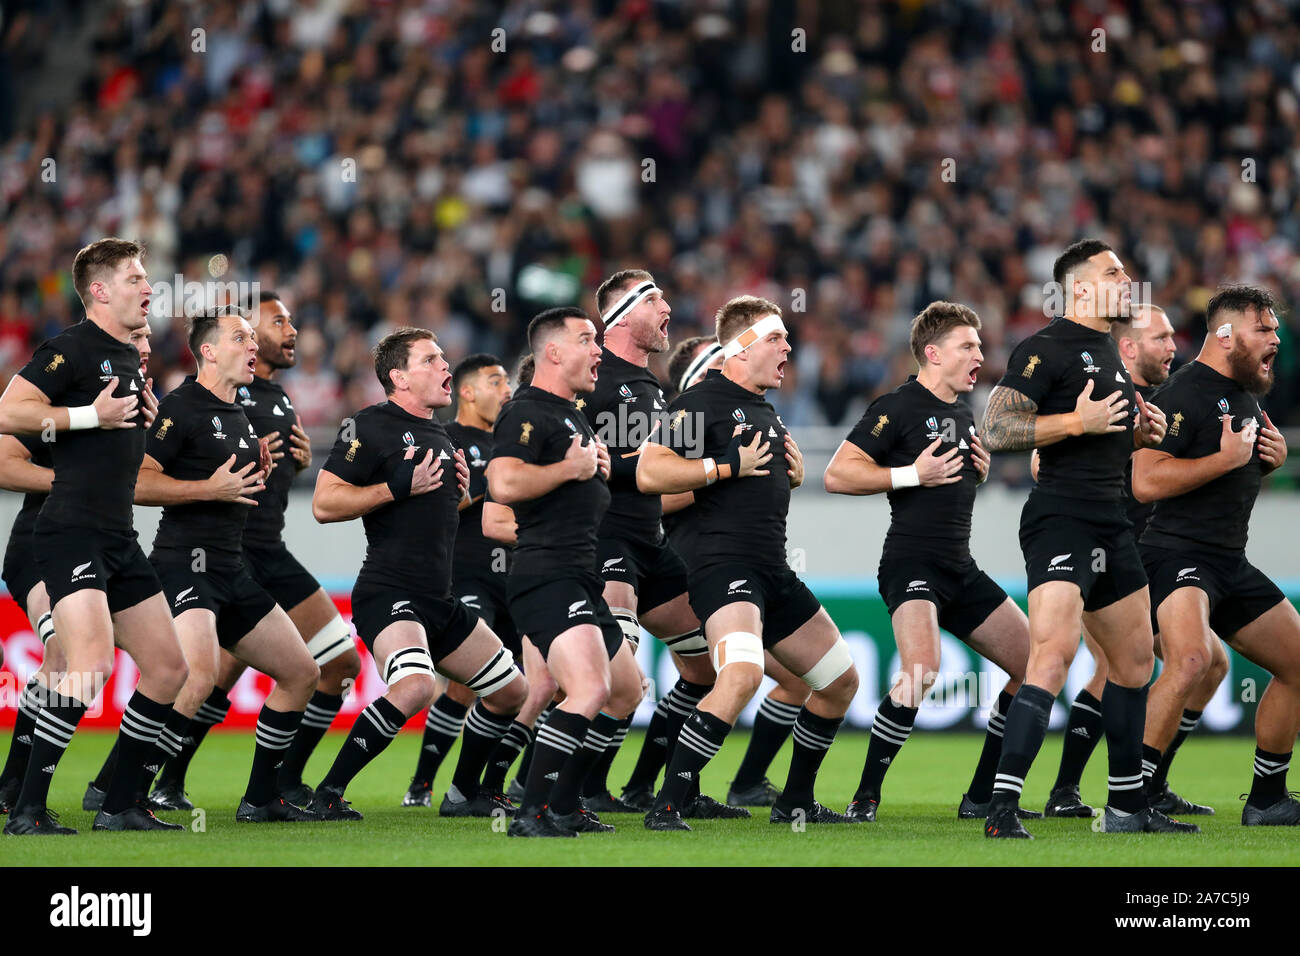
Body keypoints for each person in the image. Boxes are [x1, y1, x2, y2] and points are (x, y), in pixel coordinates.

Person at [979, 238, 1195, 837]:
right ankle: (1001, 810)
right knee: (1051, 656)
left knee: (1131, 665)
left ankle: (1126, 808)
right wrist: (1078, 421)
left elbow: (1103, 437)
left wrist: (1140, 430)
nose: (1127, 278)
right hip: (1062, 521)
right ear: (1079, 286)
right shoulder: (1044, 348)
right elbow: (996, 427)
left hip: (1112, 524)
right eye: (1113, 271)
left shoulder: (1107, 351)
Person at [637, 295, 859, 831]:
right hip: (723, 566)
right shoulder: (701, 402)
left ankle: (794, 802)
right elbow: (649, 473)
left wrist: (791, 475)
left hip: (773, 571)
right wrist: (724, 466)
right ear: (739, 348)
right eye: (776, 337)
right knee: (739, 677)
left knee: (840, 682)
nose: (789, 346)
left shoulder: (762, 405)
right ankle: (669, 802)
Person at [145, 292, 362, 812]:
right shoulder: (213, 397)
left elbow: (259, 476)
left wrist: (297, 463)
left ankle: (278, 784)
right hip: (226, 554)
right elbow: (158, 473)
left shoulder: (275, 396)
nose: (290, 330)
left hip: (269, 551)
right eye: (276, 321)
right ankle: (149, 781)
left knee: (337, 667)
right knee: (209, 677)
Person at [0, 237, 188, 835]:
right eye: (135, 278)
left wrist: (140, 423)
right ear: (100, 290)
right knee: (87, 667)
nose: (148, 287)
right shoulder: (71, 349)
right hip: (69, 530)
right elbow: (8, 411)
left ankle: (119, 803)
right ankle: (26, 809)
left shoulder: (130, 358)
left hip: (118, 536)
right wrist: (91, 417)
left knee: (167, 669)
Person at [824, 302, 1035, 822]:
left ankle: (982, 796)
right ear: (933, 354)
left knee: (1036, 666)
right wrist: (909, 474)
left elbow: (946, 483)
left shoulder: (965, 411)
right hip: (911, 563)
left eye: (979, 347)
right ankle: (864, 798)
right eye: (968, 347)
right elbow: (837, 474)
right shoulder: (896, 406)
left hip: (959, 568)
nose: (980, 356)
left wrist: (977, 475)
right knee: (921, 670)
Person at [308, 328, 527, 820]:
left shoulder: (441, 435)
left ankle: (465, 794)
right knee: (416, 686)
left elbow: (432, 510)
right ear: (399, 377)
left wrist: (464, 494)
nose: (445, 366)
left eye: (444, 357)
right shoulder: (367, 425)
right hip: (390, 594)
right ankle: (328, 793)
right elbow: (323, 504)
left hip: (439, 600)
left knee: (513, 690)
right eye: (431, 360)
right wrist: (394, 486)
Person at [1043, 305, 1222, 818]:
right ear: (1127, 348)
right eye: (1161, 337)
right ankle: (1070, 792)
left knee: (1209, 664)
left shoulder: (1165, 403)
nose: (1173, 346)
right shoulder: (1104, 398)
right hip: (1101, 551)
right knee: (1115, 667)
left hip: (1142, 557)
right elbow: (1042, 457)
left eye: (1174, 338)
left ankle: (1151, 783)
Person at [1132, 285, 1299, 826]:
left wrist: (1265, 462)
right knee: (1191, 661)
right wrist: (1229, 461)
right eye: (1265, 330)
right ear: (1226, 336)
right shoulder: (1183, 394)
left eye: (1275, 329)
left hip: (1228, 561)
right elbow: (1144, 479)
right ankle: (1130, 802)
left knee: (1297, 664)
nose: (1276, 339)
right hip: (1176, 555)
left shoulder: (1245, 394)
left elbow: (1228, 468)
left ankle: (1267, 799)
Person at [579, 271, 744, 819]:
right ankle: (576, 786)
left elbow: (662, 478)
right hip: (604, 542)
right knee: (612, 675)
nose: (667, 307)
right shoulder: (593, 377)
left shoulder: (651, 388)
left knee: (706, 667)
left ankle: (666, 785)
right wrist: (714, 469)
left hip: (650, 545)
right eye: (653, 299)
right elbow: (588, 465)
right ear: (621, 315)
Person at [624, 335, 812, 809]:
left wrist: (772, 472)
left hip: (730, 567)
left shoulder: (737, 416)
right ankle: (653, 789)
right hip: (697, 567)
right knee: (722, 677)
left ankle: (689, 786)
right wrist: (726, 474)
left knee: (740, 677)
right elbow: (655, 498)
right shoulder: (691, 417)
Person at [489, 307, 645, 837]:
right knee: (587, 691)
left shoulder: (572, 414)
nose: (598, 350)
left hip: (581, 578)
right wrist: (570, 469)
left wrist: (594, 470)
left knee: (626, 690)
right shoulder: (526, 409)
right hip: (548, 575)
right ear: (552, 352)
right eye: (586, 340)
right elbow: (504, 484)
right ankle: (531, 813)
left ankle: (565, 804)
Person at [0, 323, 151, 813]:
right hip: (41, 542)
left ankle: (104, 796)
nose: (143, 352)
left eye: (148, 347)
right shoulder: (70, 395)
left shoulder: (136, 409)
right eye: (137, 343)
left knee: (166, 666)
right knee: (67, 654)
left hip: (104, 543)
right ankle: (20, 795)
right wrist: (71, 481)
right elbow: (4, 462)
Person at [401, 353, 546, 816]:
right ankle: (423, 784)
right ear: (466, 391)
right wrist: (484, 496)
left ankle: (503, 783)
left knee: (543, 683)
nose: (506, 390)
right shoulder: (447, 440)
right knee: (467, 684)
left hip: (518, 580)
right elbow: (427, 508)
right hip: (466, 578)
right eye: (494, 381)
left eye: (506, 382)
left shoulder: (513, 442)